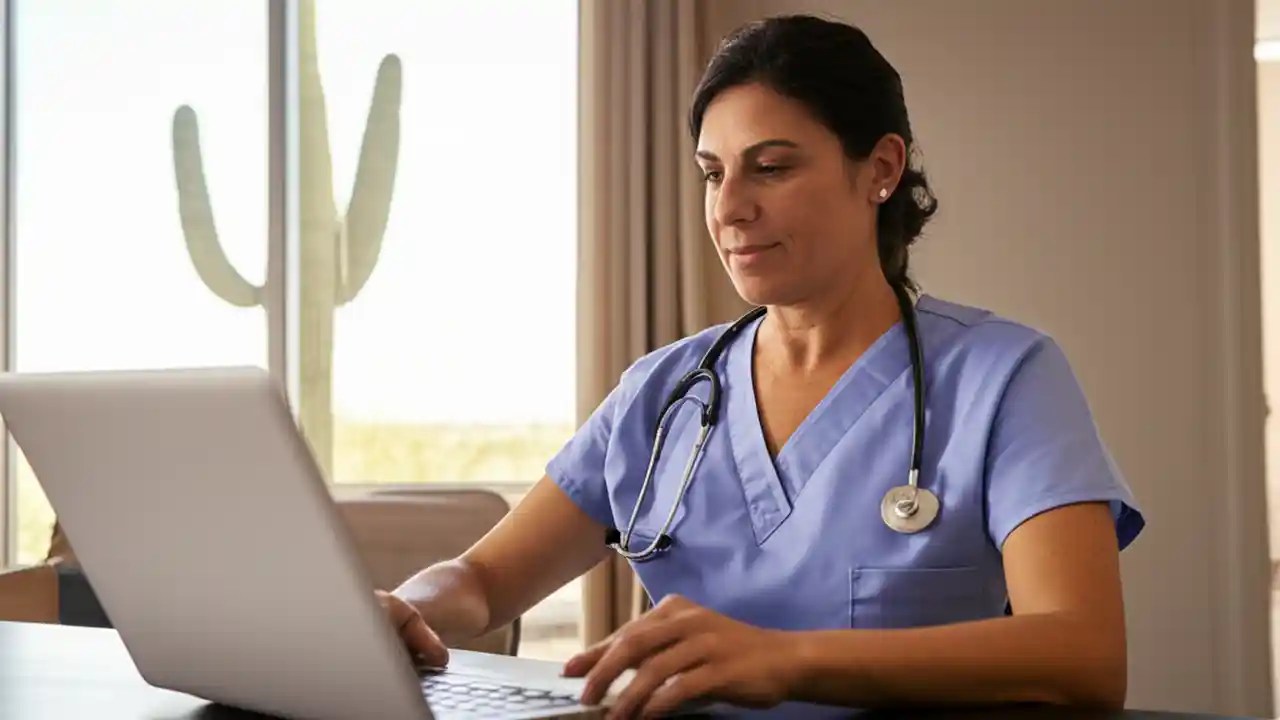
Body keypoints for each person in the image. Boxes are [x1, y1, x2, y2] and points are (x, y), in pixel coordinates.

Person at [379, 14, 1144, 719]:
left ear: (880, 169)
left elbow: (1084, 655)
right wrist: (404, 610)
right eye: (714, 174)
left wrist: (788, 660)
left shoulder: (1003, 378)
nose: (729, 208)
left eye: (770, 168)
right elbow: (482, 583)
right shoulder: (664, 393)